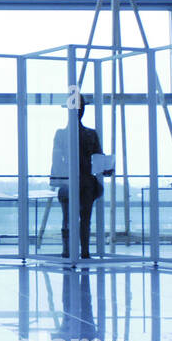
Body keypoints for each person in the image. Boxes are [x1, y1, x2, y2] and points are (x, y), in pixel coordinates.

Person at [50, 96, 109, 258]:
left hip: (80, 183)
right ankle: (76, 251)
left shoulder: (85, 134)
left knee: (78, 219)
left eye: (81, 107)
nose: (79, 110)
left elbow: (98, 158)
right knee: (74, 219)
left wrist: (106, 167)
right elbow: (57, 159)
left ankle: (78, 251)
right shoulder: (66, 134)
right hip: (75, 183)